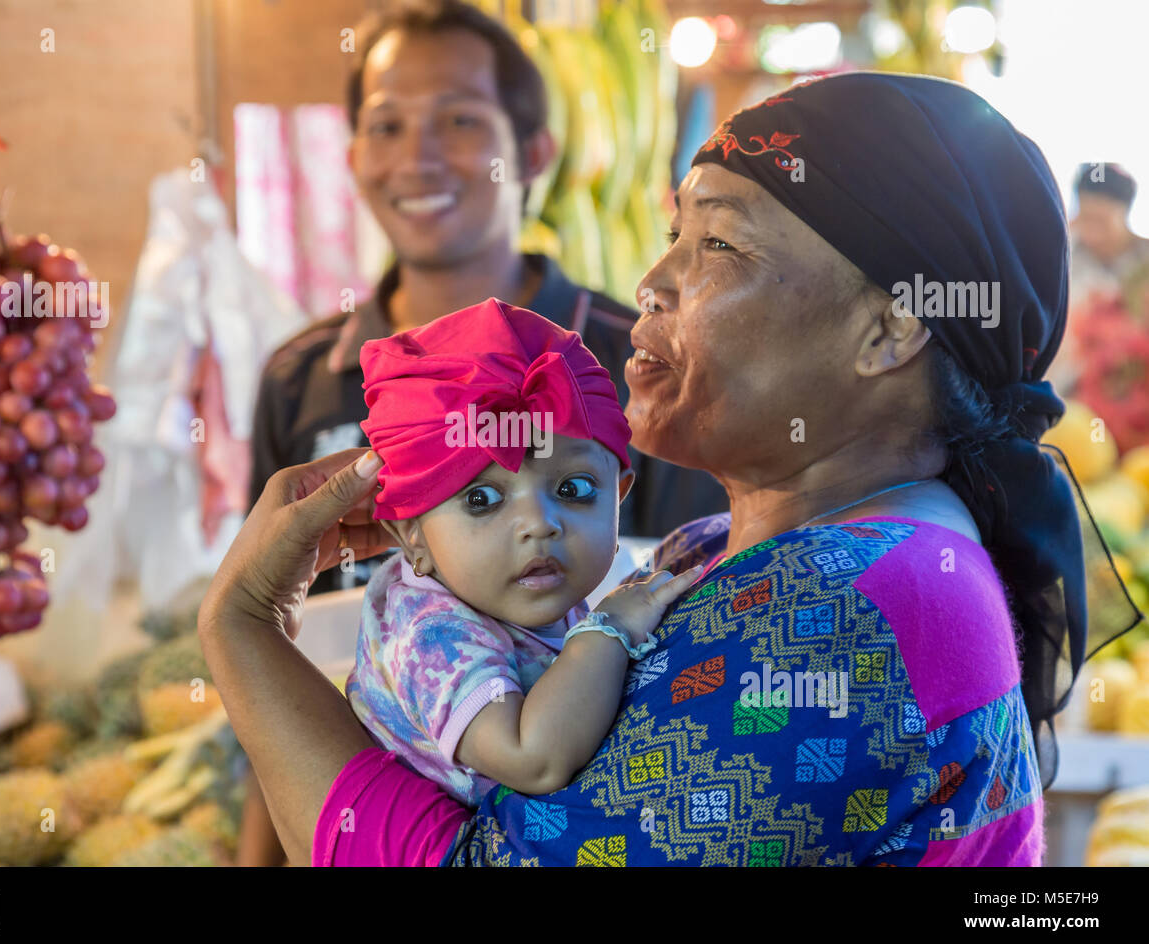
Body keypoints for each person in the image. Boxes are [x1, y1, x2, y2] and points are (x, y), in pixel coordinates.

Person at [200, 73, 1141, 866]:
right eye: (673, 234)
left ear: (890, 326)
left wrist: (244, 633)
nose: (651, 283)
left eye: (719, 244)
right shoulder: (738, 550)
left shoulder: (844, 614)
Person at [246, 0, 727, 599]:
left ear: (532, 155)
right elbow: (276, 599)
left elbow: (696, 588)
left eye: (460, 121)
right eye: (386, 126)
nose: (417, 161)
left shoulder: (641, 359)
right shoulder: (299, 380)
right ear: (353, 159)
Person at [348, 297, 703, 807]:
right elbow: (532, 758)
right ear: (412, 537)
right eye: (482, 499)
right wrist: (609, 631)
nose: (539, 525)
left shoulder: (519, 588)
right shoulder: (431, 633)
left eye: (575, 489)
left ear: (618, 496)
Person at [1049, 162, 1149, 397]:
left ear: (1125, 211)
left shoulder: (1144, 260)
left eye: (1101, 220)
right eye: (1086, 217)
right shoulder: (1062, 256)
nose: (1091, 229)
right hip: (1074, 389)